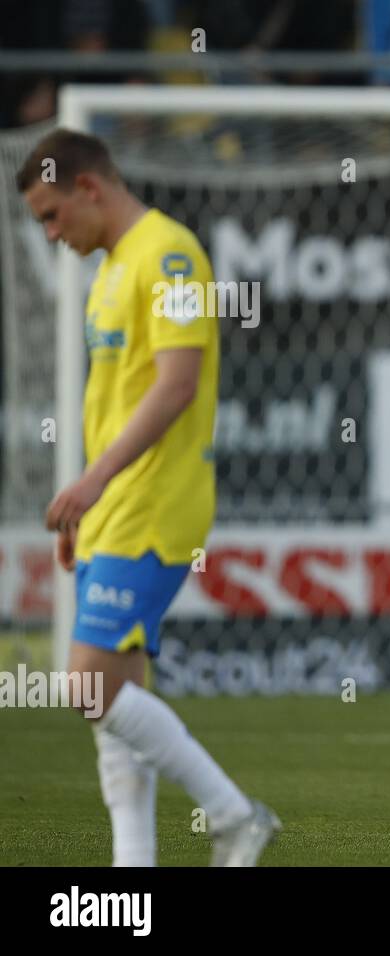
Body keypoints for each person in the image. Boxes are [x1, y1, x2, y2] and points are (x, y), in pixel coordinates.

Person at [17, 128, 279, 864]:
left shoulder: (169, 254)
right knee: (113, 709)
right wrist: (91, 504)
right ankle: (134, 872)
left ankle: (233, 813)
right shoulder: (110, 267)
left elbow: (177, 384)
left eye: (51, 214)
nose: (49, 232)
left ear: (88, 189)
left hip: (154, 500)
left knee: (86, 689)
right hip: (115, 506)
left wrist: (95, 482)